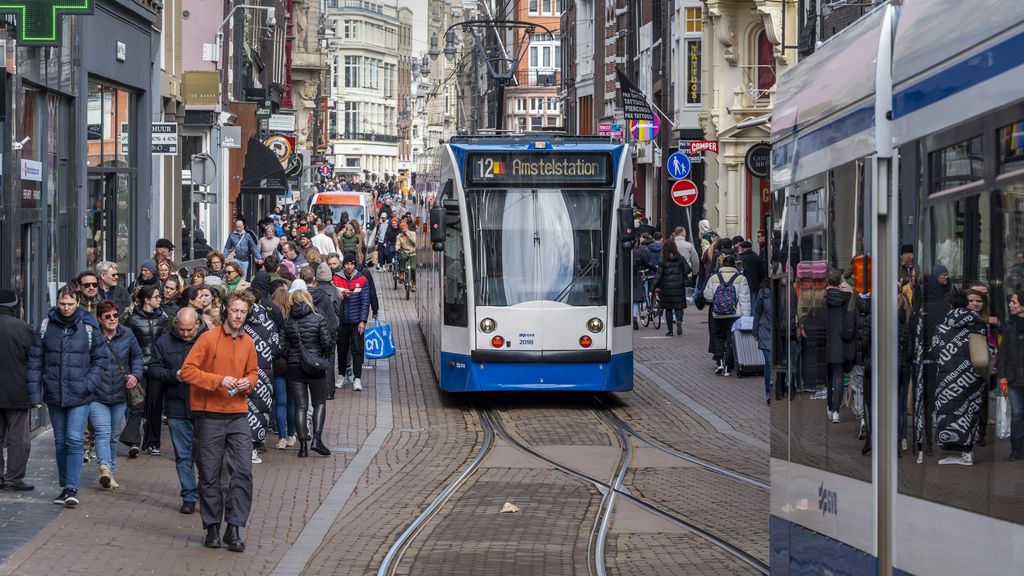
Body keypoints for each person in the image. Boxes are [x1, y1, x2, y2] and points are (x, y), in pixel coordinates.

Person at [179, 291, 259, 552]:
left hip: (238, 414)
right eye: (235, 311)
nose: (238, 316)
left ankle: (234, 528)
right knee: (210, 474)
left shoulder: (248, 342)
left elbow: (253, 372)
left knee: (243, 471)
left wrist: (250, 382)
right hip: (210, 414)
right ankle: (212, 527)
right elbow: (188, 371)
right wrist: (217, 380)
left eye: (243, 312)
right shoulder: (208, 338)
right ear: (226, 310)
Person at [27, 285, 108, 508]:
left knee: (74, 439)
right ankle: (65, 485)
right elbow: (35, 361)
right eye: (62, 304)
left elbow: (101, 360)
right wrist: (36, 392)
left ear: (77, 303)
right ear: (57, 302)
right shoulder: (46, 326)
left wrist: (88, 384)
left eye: (70, 304)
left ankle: (72, 487)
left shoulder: (89, 325)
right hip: (54, 392)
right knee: (61, 441)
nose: (65, 308)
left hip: (80, 393)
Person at [148, 307, 207, 514]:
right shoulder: (164, 342)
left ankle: (205, 491)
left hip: (203, 407)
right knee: (183, 455)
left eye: (189, 330)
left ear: (197, 325)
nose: (185, 333)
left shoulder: (207, 340)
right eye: (182, 329)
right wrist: (174, 375)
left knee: (205, 455)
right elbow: (154, 368)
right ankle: (189, 496)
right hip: (176, 406)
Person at [931, 291, 989, 466]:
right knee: (969, 412)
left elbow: (935, 352)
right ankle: (968, 453)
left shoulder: (942, 327)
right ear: (967, 304)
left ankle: (959, 452)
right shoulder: (978, 323)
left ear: (950, 306)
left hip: (948, 378)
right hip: (973, 376)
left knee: (950, 412)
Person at [92, 300, 143, 490]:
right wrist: (91, 381)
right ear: (99, 319)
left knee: (113, 436)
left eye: (115, 315)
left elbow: (136, 357)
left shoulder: (126, 333)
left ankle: (111, 473)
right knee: (103, 432)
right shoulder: (93, 336)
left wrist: (135, 375)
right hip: (97, 394)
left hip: (121, 393)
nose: (113, 319)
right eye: (108, 317)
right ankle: (104, 468)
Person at [282, 286, 334, 457]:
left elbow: (282, 347)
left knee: (300, 407)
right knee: (319, 403)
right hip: (315, 366)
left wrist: (292, 355)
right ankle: (317, 440)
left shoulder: (288, 321)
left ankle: (302, 445)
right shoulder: (318, 318)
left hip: (295, 368)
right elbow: (327, 342)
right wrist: (323, 357)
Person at [120, 284, 170, 457]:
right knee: (137, 404)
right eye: (156, 297)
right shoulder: (132, 320)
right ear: (147, 299)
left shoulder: (163, 319)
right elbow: (127, 345)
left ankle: (152, 442)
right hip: (138, 368)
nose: (160, 299)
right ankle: (133, 441)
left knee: (154, 406)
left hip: (156, 367)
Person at [0, 288, 36, 492]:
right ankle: (14, 478)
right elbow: (34, 360)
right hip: (17, 391)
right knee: (17, 437)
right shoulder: (23, 328)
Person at [703, 255, 751, 376]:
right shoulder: (741, 278)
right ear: (734, 265)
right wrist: (745, 317)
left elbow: (707, 295)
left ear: (722, 265)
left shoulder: (714, 277)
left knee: (719, 336)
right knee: (731, 338)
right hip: (735, 314)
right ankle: (728, 366)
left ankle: (719, 361)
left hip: (718, 313)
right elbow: (744, 300)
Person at [334, 252, 371, 392]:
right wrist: (341, 295)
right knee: (342, 350)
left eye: (351, 264)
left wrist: (362, 321)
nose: (349, 267)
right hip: (342, 321)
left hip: (356, 321)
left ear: (355, 265)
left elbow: (365, 301)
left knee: (357, 350)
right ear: (343, 265)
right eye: (347, 264)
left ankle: (357, 378)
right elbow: (334, 298)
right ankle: (341, 375)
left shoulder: (362, 279)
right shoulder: (336, 278)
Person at [823, 269, 854, 424]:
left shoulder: (822, 297)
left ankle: (829, 407)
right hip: (840, 340)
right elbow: (850, 290)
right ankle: (836, 411)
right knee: (838, 376)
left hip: (826, 340)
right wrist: (842, 281)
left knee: (828, 377)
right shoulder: (845, 296)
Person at [307, 264, 341, 399]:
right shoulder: (334, 292)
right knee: (330, 360)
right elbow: (338, 313)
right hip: (330, 330)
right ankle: (328, 391)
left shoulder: (311, 293)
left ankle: (317, 391)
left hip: (315, 330)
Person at [269, 286, 296, 449]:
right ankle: (292, 434)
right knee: (292, 402)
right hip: (292, 364)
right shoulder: (293, 320)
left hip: (278, 364)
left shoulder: (271, 320)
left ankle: (282, 437)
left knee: (280, 402)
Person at [1000, 290, 1024, 461]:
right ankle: (1016, 450)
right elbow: (1003, 352)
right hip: (1013, 377)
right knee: (1017, 413)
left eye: (1014, 302)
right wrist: (1002, 374)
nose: (1010, 305)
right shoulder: (1008, 325)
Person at [652, 239, 689, 336]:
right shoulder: (681, 258)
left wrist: (652, 287)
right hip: (679, 286)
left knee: (668, 309)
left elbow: (658, 275)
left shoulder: (663, 260)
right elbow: (687, 270)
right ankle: (679, 321)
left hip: (666, 287)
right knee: (679, 307)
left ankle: (670, 331)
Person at [752, 278, 773, 404]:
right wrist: (755, 331)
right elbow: (757, 312)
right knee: (769, 361)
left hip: (782, 332)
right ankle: (769, 391)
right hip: (766, 331)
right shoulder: (763, 293)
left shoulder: (788, 292)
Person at [396, 221, 418, 291]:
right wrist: (397, 248)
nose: (404, 230)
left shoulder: (413, 233)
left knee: (413, 268)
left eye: (405, 228)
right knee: (403, 257)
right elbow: (397, 244)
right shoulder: (399, 236)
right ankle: (402, 273)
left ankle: (414, 283)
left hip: (413, 252)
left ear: (407, 228)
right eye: (402, 229)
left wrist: (409, 236)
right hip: (404, 251)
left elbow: (415, 243)